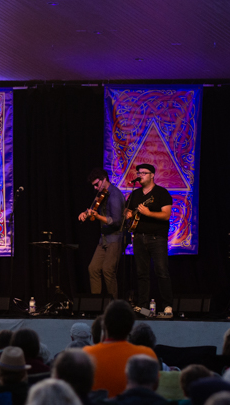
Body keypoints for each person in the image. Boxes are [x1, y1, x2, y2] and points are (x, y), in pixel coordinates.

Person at [123, 163, 174, 318]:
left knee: (161, 272)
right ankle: (143, 307)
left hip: (156, 238)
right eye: (139, 173)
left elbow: (166, 215)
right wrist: (128, 213)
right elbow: (127, 209)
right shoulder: (135, 194)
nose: (140, 175)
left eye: (144, 173)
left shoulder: (161, 193)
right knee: (141, 274)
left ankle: (167, 307)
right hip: (139, 238)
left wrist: (148, 213)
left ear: (152, 175)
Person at [83, 300, 158, 398]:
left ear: (104, 325)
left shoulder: (85, 355)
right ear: (131, 326)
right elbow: (154, 387)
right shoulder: (147, 356)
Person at [79, 168, 125, 299]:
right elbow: (93, 208)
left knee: (108, 270)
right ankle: (96, 304)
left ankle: (114, 306)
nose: (95, 187)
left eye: (96, 184)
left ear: (104, 179)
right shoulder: (101, 193)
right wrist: (86, 213)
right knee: (93, 268)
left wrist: (98, 217)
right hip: (104, 238)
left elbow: (116, 221)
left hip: (115, 238)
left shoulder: (115, 195)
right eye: (93, 185)